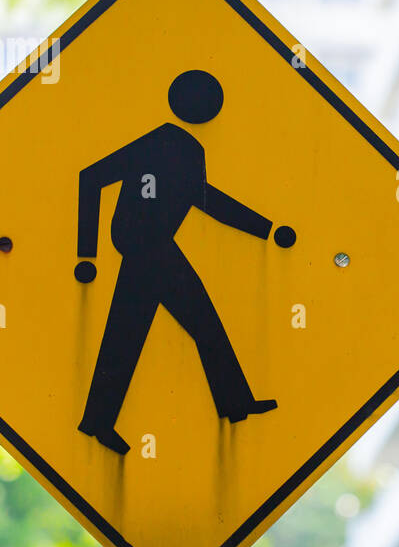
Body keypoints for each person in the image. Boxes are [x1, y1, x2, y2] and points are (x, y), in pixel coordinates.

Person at [73, 69, 295, 455]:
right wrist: (86, 251)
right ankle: (233, 403)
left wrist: (265, 229)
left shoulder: (192, 151)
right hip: (145, 246)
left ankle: (98, 421)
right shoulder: (158, 141)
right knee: (195, 323)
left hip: (154, 246)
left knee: (130, 332)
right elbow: (90, 178)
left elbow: (206, 201)